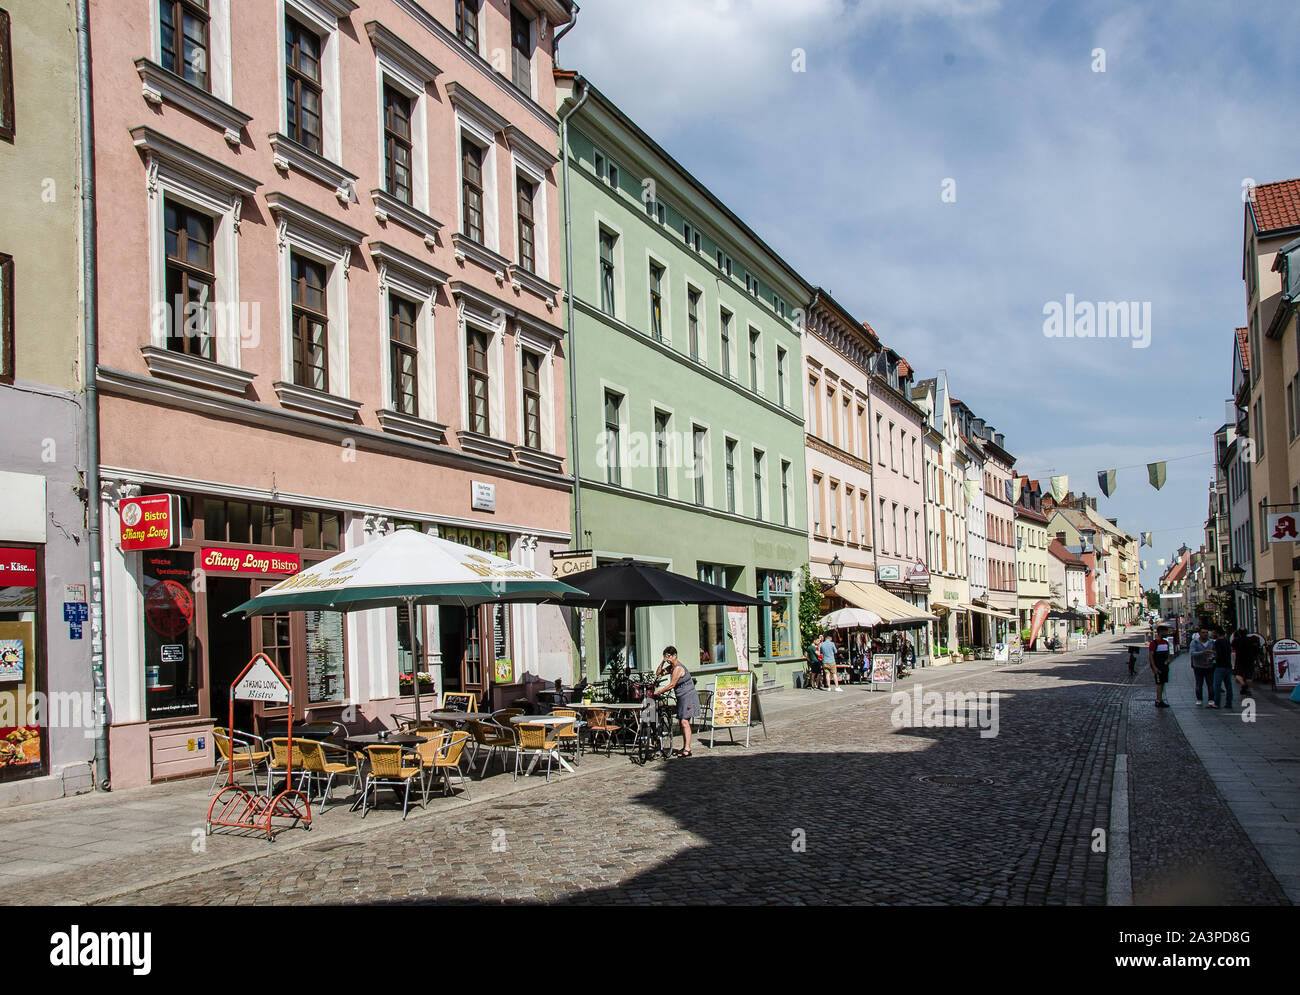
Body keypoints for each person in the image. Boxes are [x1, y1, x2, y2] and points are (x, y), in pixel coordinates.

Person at [653, 646, 699, 756]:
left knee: (684, 721)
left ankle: (687, 749)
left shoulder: (678, 668)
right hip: (681, 697)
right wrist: (662, 662)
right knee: (682, 722)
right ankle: (685, 747)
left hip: (688, 696)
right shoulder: (671, 667)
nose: (667, 659)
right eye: (665, 657)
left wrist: (658, 693)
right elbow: (658, 673)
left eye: (669, 657)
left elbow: (672, 684)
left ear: (675, 656)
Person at [1209, 626, 1234, 711]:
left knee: (1217, 685)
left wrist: (1212, 658)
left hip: (1220, 666)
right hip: (1228, 665)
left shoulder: (1218, 642)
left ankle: (1216, 703)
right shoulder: (1227, 641)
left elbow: (1219, 655)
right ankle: (1229, 703)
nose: (1211, 634)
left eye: (1213, 632)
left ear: (1217, 633)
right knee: (1228, 685)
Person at [1148, 626, 1173, 708]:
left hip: (1165, 667)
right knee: (1159, 683)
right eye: (1165, 632)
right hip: (1158, 667)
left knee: (1162, 683)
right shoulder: (1154, 643)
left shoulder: (1165, 643)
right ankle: (1158, 700)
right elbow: (1151, 656)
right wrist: (1154, 667)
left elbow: (1168, 653)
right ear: (1160, 632)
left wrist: (1168, 659)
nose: (1167, 634)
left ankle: (1160, 699)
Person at [1189, 626, 1214, 706]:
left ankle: (1211, 699)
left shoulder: (1211, 642)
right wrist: (1203, 652)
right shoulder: (1195, 642)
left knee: (1210, 684)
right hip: (1198, 666)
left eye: (1206, 632)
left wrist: (1213, 658)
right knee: (1199, 683)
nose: (1205, 634)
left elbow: (1215, 652)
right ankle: (1199, 699)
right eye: (1203, 632)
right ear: (1199, 634)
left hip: (1209, 666)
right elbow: (1192, 653)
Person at [1231, 627, 1257, 697]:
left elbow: (1232, 647)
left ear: (1239, 633)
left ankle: (1243, 684)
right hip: (1250, 660)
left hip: (1240, 659)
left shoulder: (1236, 640)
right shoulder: (1251, 640)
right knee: (1249, 676)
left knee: (1238, 674)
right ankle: (1248, 690)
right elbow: (1255, 649)